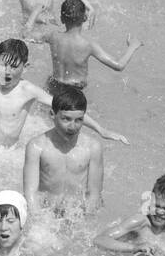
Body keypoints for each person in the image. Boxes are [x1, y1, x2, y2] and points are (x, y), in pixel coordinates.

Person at [22, 85, 106, 217]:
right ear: (52, 115)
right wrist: (38, 221)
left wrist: (85, 220)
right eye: (66, 119)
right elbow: (30, 193)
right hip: (47, 212)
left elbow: (94, 193)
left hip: (77, 213)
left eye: (79, 120)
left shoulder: (92, 147)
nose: (73, 127)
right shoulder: (37, 146)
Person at [41, 0, 141, 95]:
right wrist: (132, 46)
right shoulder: (88, 44)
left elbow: (27, 35)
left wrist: (36, 14)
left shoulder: (53, 36)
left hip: (54, 88)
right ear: (85, 18)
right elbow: (119, 66)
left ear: (62, 19)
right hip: (74, 92)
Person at [94, 173, 165, 256]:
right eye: (156, 205)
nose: (159, 211)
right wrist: (133, 247)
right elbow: (100, 240)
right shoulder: (140, 221)